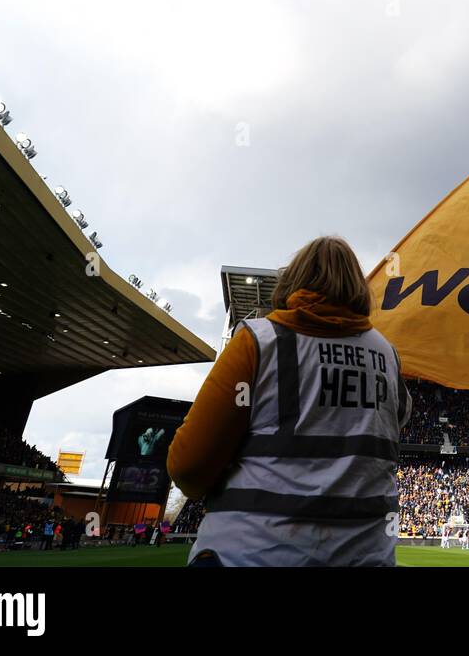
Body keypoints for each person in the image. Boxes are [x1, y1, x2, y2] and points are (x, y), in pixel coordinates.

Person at [167, 235, 411, 566]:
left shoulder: (257, 341)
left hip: (251, 553)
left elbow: (188, 465)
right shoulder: (388, 356)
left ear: (294, 280)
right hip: (366, 556)